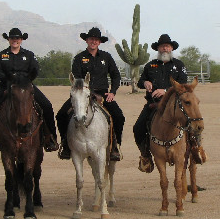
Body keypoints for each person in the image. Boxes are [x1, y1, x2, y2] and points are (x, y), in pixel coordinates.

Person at [0, 29, 58, 153]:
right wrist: (8, 79)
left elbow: (35, 69)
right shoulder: (1, 55)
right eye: (12, 38)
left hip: (26, 85)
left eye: (17, 38)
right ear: (9, 40)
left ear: (21, 40)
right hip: (6, 85)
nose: (15, 40)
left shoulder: (29, 55)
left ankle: (51, 138)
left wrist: (26, 79)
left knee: (47, 105)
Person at [56, 27, 125, 161]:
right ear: (87, 40)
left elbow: (116, 76)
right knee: (61, 115)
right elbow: (77, 79)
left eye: (96, 40)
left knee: (119, 116)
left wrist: (112, 92)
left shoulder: (106, 57)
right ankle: (65, 144)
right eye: (91, 39)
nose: (93, 41)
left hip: (104, 94)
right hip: (82, 94)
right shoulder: (79, 58)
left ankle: (115, 146)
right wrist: (90, 93)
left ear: (99, 42)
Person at [133, 34, 187, 173]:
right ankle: (145, 155)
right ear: (158, 48)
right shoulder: (150, 65)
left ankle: (196, 147)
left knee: (191, 123)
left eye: (167, 46)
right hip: (153, 105)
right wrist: (145, 82)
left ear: (171, 48)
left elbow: (183, 84)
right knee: (138, 128)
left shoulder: (179, 65)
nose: (165, 48)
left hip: (174, 104)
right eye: (162, 46)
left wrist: (166, 90)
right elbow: (140, 82)